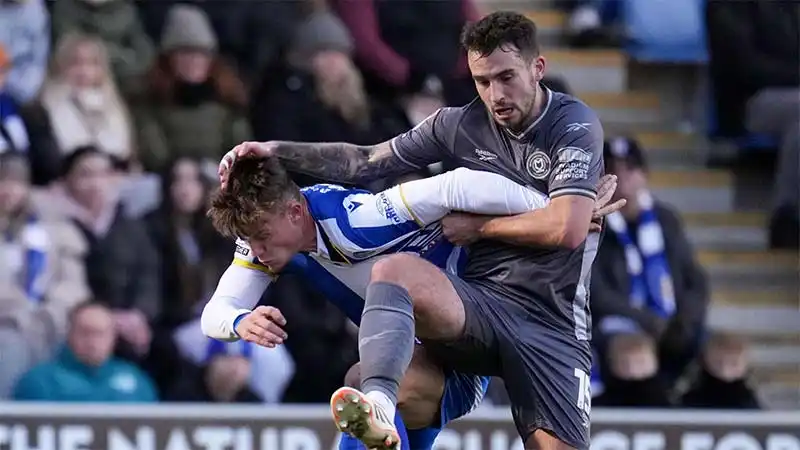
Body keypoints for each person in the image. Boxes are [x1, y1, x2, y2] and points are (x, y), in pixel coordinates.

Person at [217, 11, 617, 450]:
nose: (494, 94)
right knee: (393, 275)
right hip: (479, 304)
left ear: (537, 69)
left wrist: (481, 228)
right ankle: (380, 403)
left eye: (506, 78)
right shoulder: (458, 124)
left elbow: (567, 229)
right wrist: (277, 149)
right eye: (482, 81)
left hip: (550, 319)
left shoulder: (573, 125)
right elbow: (366, 160)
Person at [204, 157, 621, 450]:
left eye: (261, 237)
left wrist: (559, 212)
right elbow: (216, 311)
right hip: (410, 364)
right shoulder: (265, 239)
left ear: (295, 212)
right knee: (368, 402)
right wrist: (240, 321)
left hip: (460, 353)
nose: (256, 251)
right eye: (249, 240)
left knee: (361, 381)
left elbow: (455, 185)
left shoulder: (357, 219)